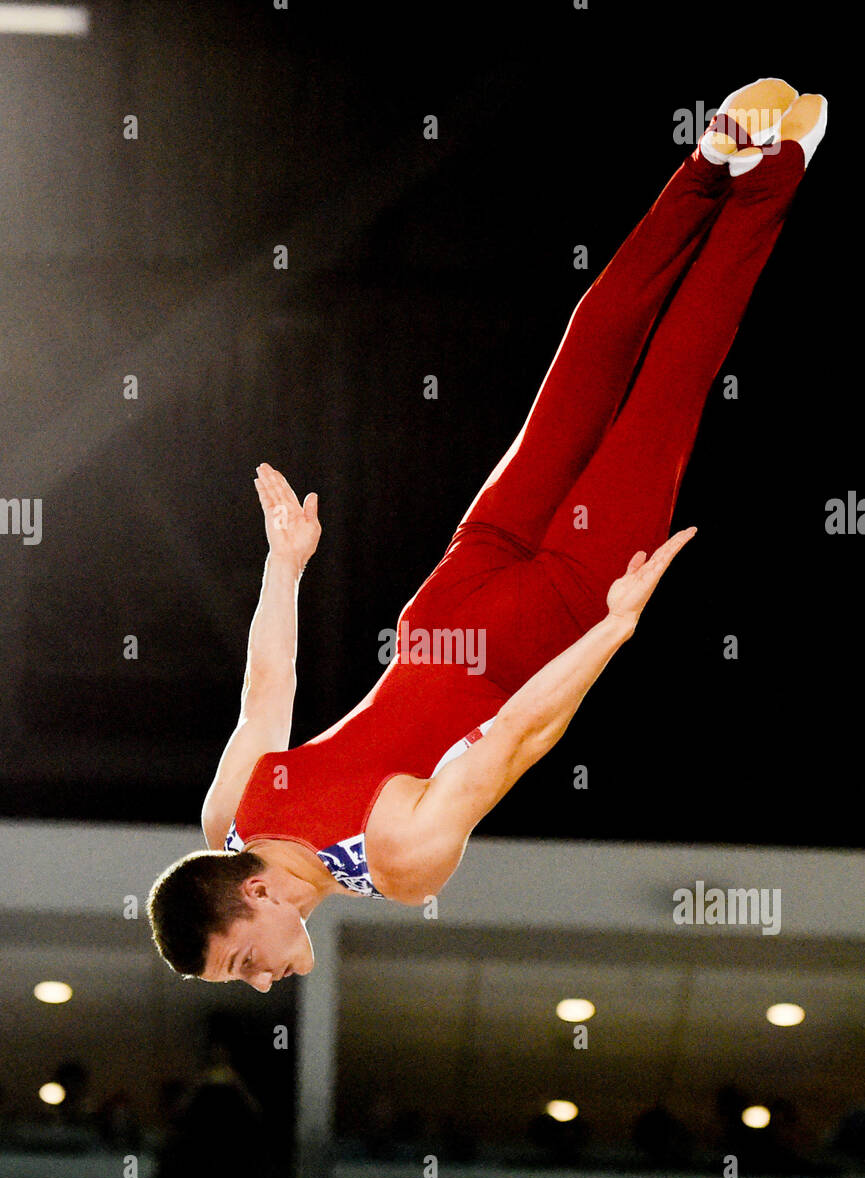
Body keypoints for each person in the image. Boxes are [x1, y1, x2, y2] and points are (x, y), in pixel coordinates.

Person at [147, 80, 827, 990]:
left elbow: (515, 734)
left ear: (259, 896)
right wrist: (284, 570)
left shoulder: (398, 862)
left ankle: (772, 171)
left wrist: (613, 629)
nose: (265, 979)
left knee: (666, 388)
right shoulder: (223, 820)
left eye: (243, 962)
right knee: (583, 372)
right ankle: (709, 165)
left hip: (546, 626)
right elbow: (265, 690)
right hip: (443, 609)